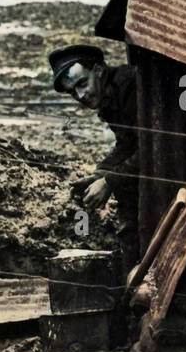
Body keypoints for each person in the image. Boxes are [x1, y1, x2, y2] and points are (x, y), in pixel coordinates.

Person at [48, 45, 141, 268]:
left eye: (82, 83)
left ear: (98, 70)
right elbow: (127, 144)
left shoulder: (130, 87)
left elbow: (153, 148)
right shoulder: (109, 93)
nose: (80, 95)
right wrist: (99, 173)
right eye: (73, 92)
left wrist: (109, 181)